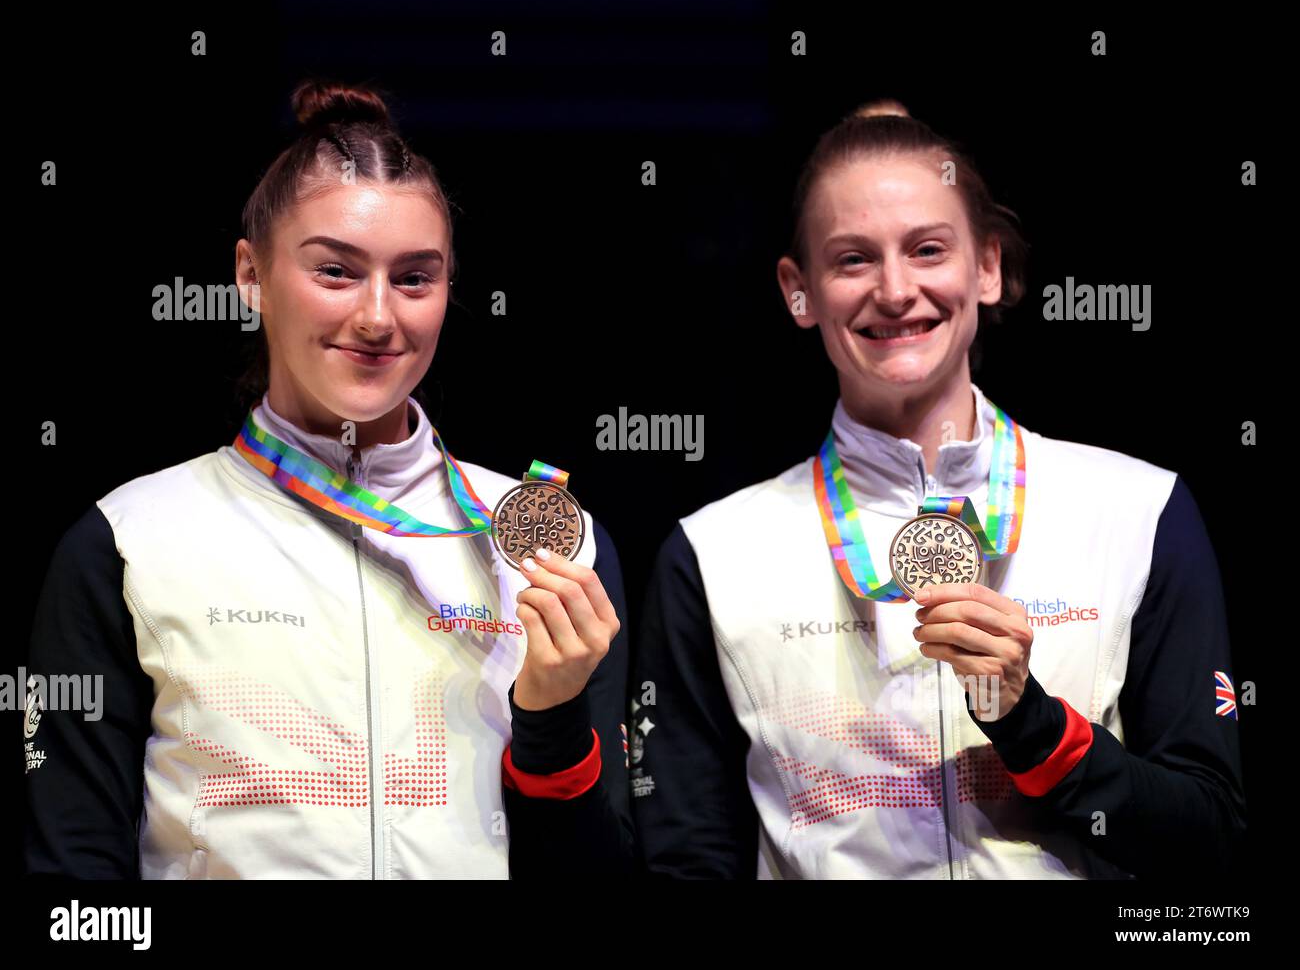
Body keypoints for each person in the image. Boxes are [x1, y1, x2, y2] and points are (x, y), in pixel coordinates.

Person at [24, 80, 634, 879]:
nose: (379, 317)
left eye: (415, 278)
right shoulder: (128, 542)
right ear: (250, 275)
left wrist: (551, 719)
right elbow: (75, 880)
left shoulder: (557, 545)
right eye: (337, 272)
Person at [631, 100, 1247, 879]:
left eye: (927, 249)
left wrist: (1032, 723)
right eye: (853, 259)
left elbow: (1210, 840)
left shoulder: (1138, 511)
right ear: (799, 289)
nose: (895, 290)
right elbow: (690, 861)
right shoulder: (713, 555)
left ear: (987, 266)